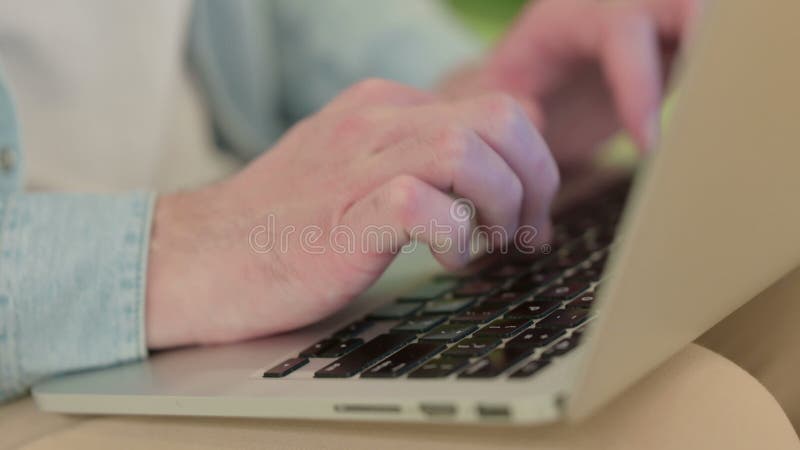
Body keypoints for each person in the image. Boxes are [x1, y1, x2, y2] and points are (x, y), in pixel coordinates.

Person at [0, 0, 697, 401]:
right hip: (54, 362)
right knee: (698, 409)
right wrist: (182, 248)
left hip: (269, 294)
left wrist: (475, 104)